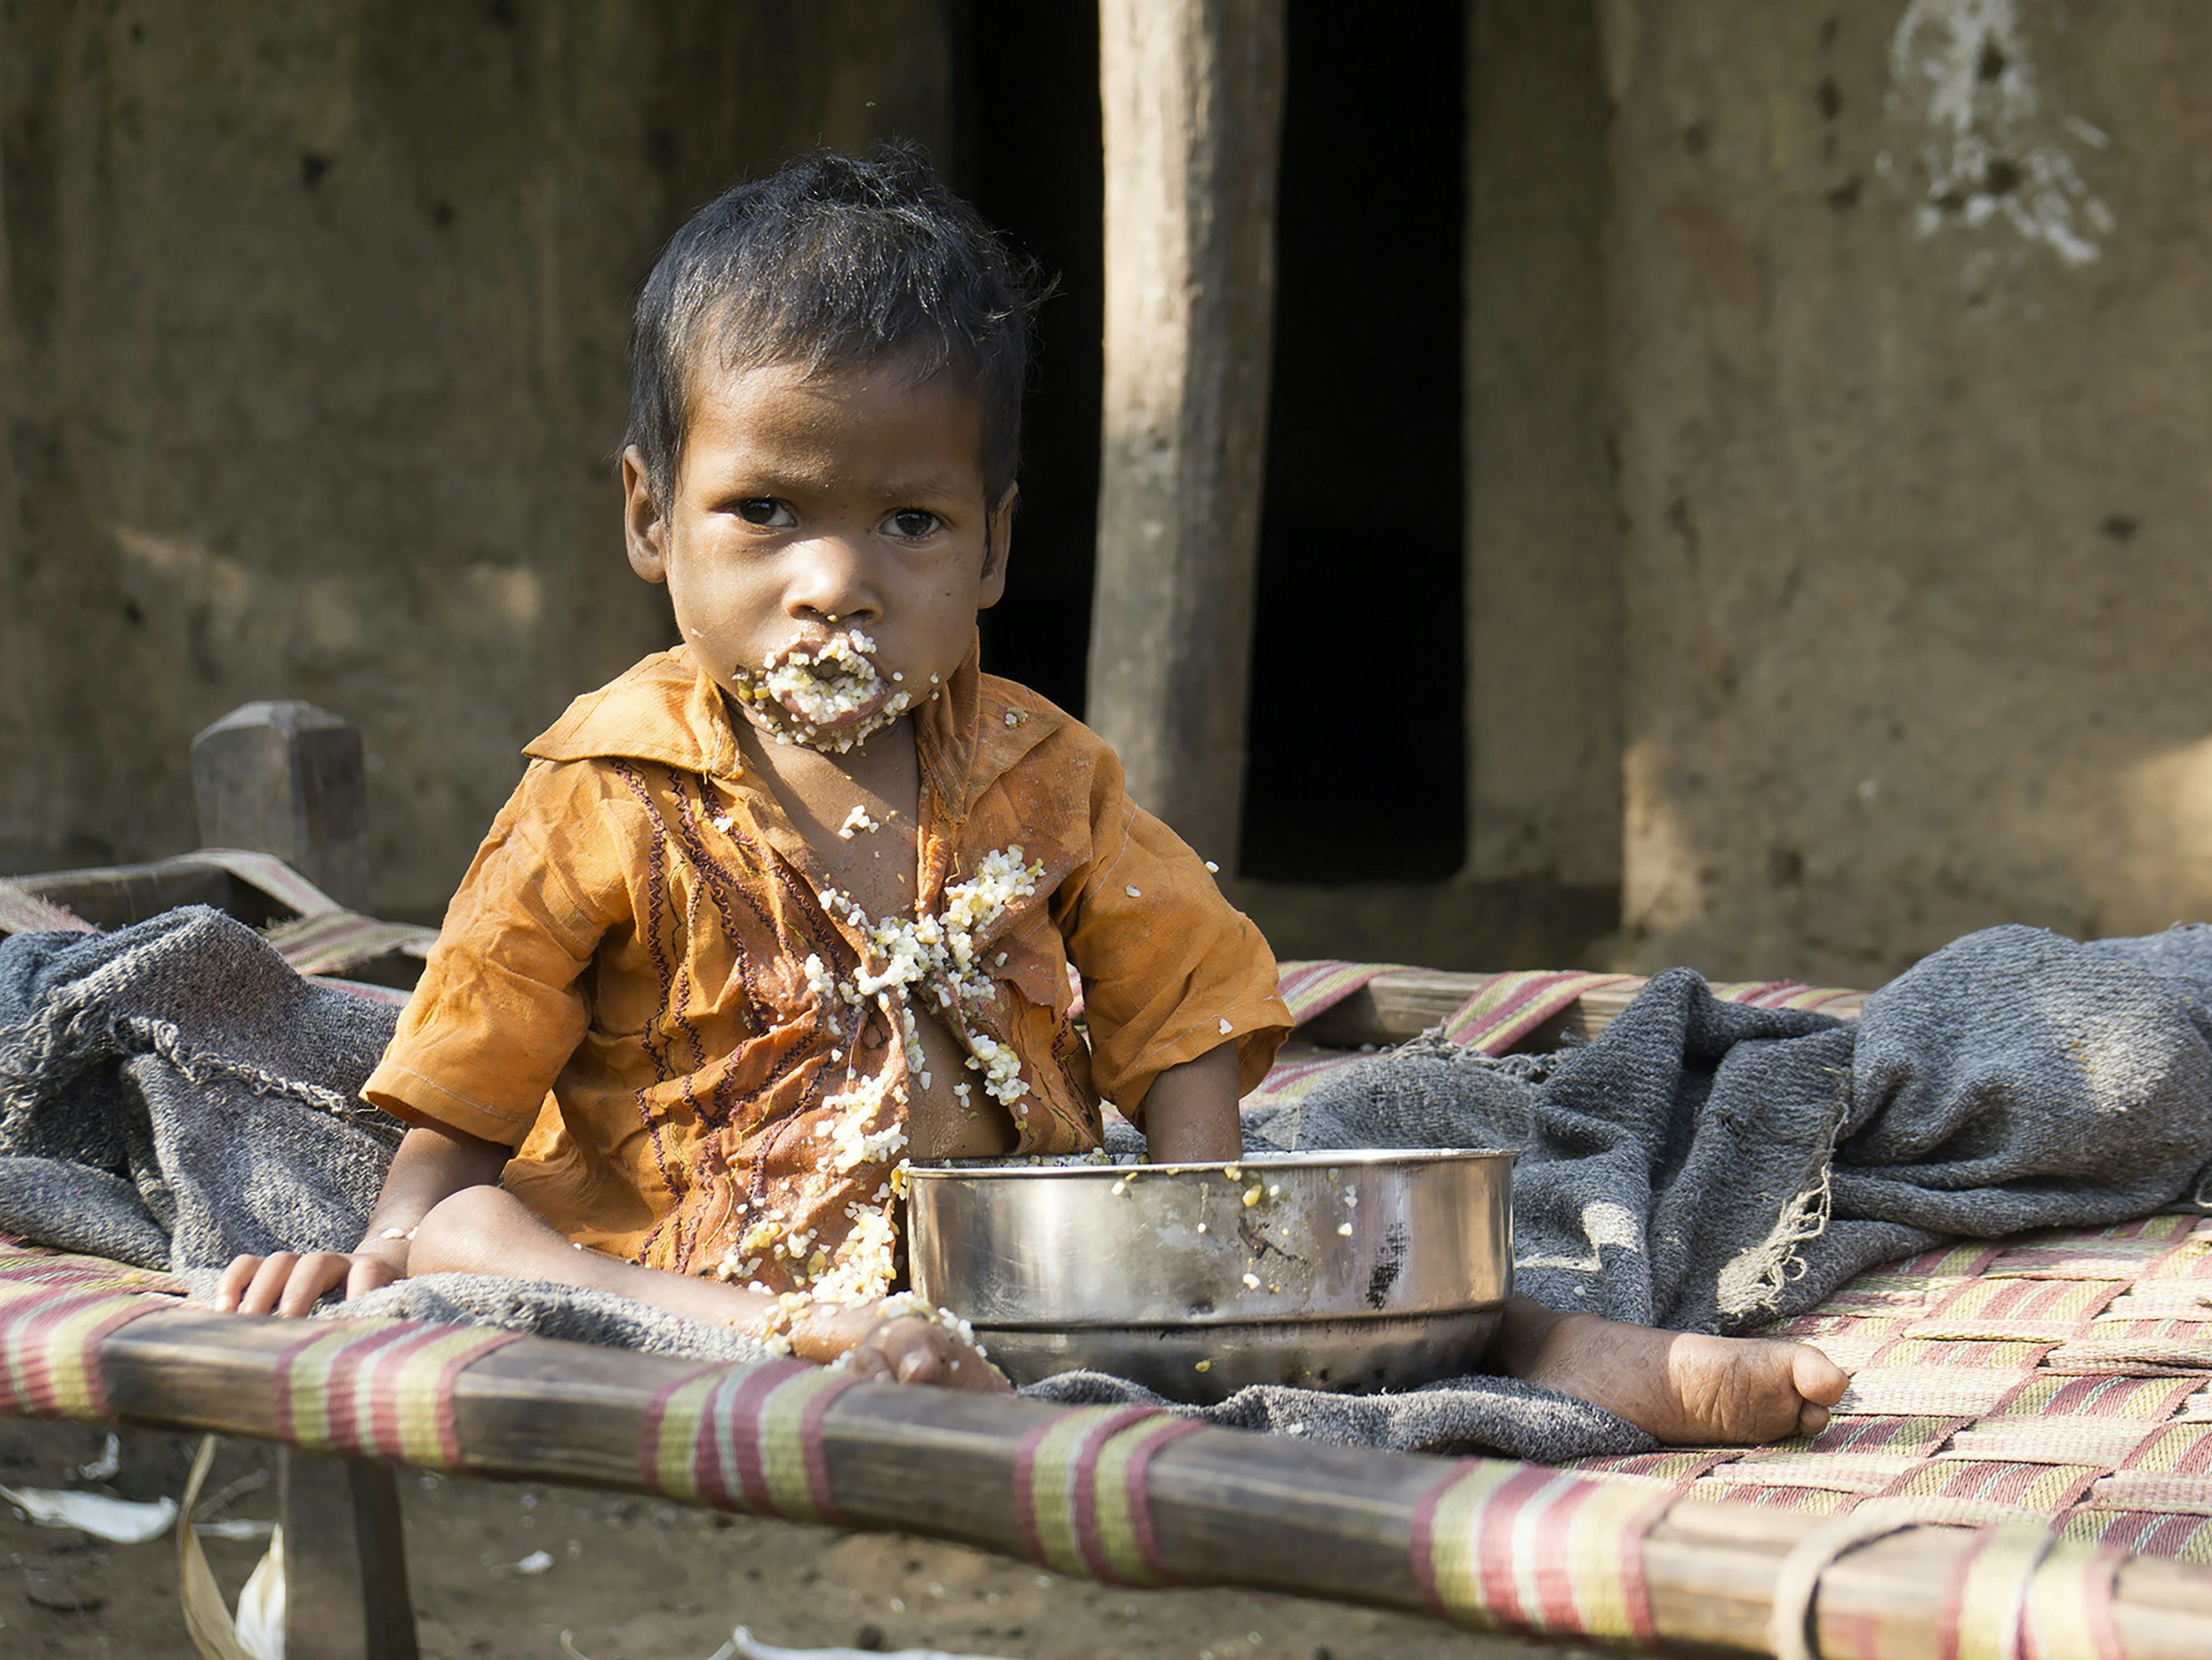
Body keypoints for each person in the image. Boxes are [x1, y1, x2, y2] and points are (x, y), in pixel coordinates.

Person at [216, 146, 1847, 1443]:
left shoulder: (1044, 777)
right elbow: (453, 1121)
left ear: (994, 543)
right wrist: (389, 1245)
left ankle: (1562, 1348)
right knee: (488, 1249)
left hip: (1023, 1274)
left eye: (910, 524)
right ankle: (810, 1345)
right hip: (689, 1274)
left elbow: (1187, 998)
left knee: (1367, 1282)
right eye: (765, 511)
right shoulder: (602, 792)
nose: (836, 582)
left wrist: (1226, 1233)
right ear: (653, 517)